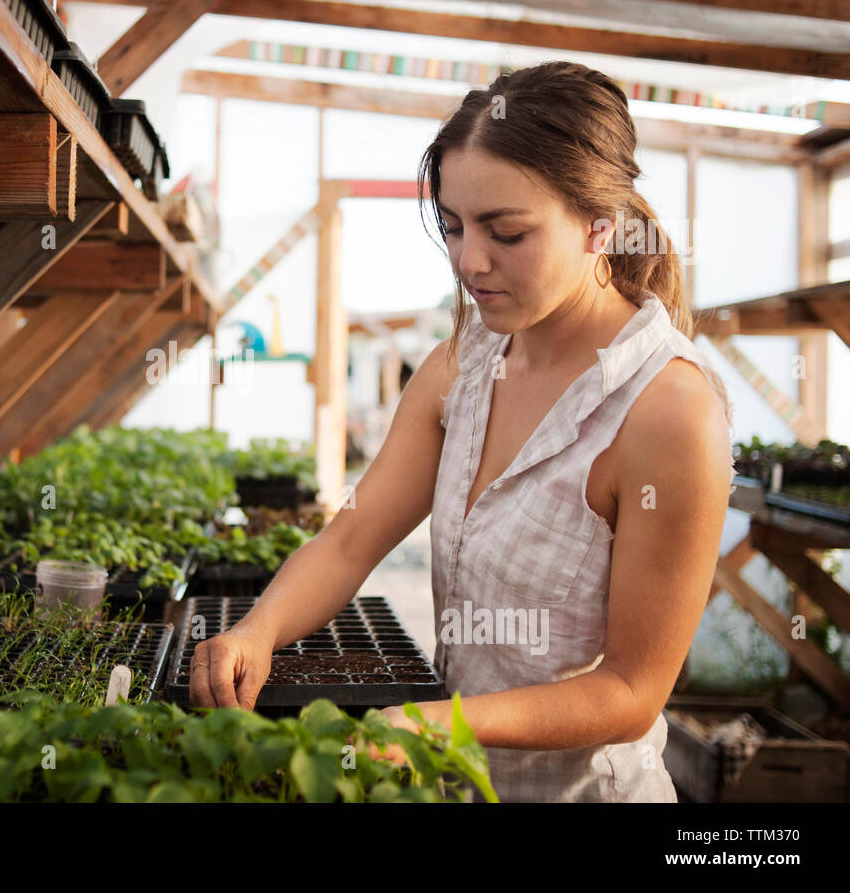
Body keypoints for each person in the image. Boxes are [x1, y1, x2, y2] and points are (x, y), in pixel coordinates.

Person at [189, 61, 737, 802]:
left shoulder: (667, 411)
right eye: (452, 225)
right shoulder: (463, 363)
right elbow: (352, 537)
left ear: (598, 227)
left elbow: (631, 690)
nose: (468, 261)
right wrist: (260, 628)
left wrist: (436, 724)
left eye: (506, 232)